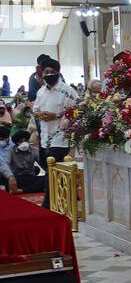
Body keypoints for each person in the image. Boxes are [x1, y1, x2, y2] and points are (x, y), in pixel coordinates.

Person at [33, 61, 78, 207]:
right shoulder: (41, 91)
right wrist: (40, 114)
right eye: (46, 72)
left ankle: (50, 203)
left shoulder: (67, 91)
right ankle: (56, 202)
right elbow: (35, 109)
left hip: (61, 138)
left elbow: (76, 112)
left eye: (52, 71)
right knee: (48, 170)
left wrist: (57, 115)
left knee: (56, 171)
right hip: (45, 138)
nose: (49, 74)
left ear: (58, 72)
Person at [0, 125, 18, 192]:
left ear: (8, 137)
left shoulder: (14, 143)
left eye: (3, 139)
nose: (1, 141)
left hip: (14, 169)